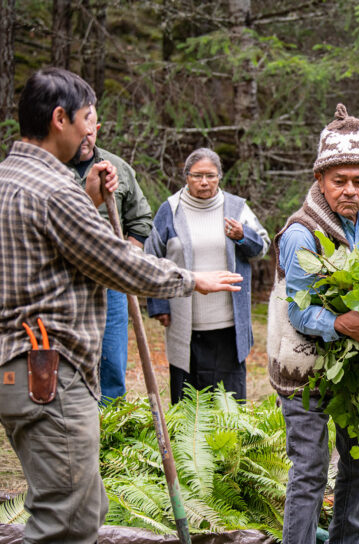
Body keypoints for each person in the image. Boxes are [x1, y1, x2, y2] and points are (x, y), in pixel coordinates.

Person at [0, 67, 241, 544]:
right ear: (59, 119)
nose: (94, 130)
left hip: (18, 371)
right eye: (89, 119)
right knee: (66, 524)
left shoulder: (10, 176)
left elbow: (59, 251)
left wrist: (89, 201)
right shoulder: (53, 190)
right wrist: (192, 280)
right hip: (49, 373)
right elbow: (115, 263)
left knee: (73, 507)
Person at [268, 104, 359, 544]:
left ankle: (349, 540)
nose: (350, 191)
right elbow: (299, 311)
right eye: (339, 181)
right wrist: (340, 323)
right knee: (309, 469)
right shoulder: (301, 233)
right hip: (304, 369)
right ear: (320, 180)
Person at [145, 148, 270, 404]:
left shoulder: (236, 208)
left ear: (219, 177)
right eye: (197, 175)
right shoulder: (170, 210)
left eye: (211, 176)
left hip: (228, 324)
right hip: (185, 323)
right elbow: (151, 256)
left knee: (229, 404)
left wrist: (242, 236)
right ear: (186, 176)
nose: (204, 182)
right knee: (189, 402)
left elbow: (263, 245)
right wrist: (158, 304)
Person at [66, 105, 154, 403]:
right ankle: (73, 412)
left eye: (91, 133)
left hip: (111, 281)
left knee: (112, 355)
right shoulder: (53, 169)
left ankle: (111, 417)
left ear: (97, 130)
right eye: (80, 133)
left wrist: (127, 254)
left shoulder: (117, 168)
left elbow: (141, 218)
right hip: (66, 280)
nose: (85, 139)